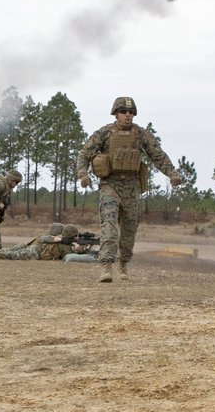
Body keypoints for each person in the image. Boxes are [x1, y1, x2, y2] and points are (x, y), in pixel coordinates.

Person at [75, 96, 182, 283]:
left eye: (131, 112)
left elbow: (157, 155)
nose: (128, 115)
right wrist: (83, 174)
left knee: (129, 229)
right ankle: (106, 266)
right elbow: (84, 153)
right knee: (109, 226)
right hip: (110, 185)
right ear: (115, 113)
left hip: (132, 187)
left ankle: (123, 263)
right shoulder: (104, 133)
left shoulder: (141, 135)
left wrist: (172, 173)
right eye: (124, 112)